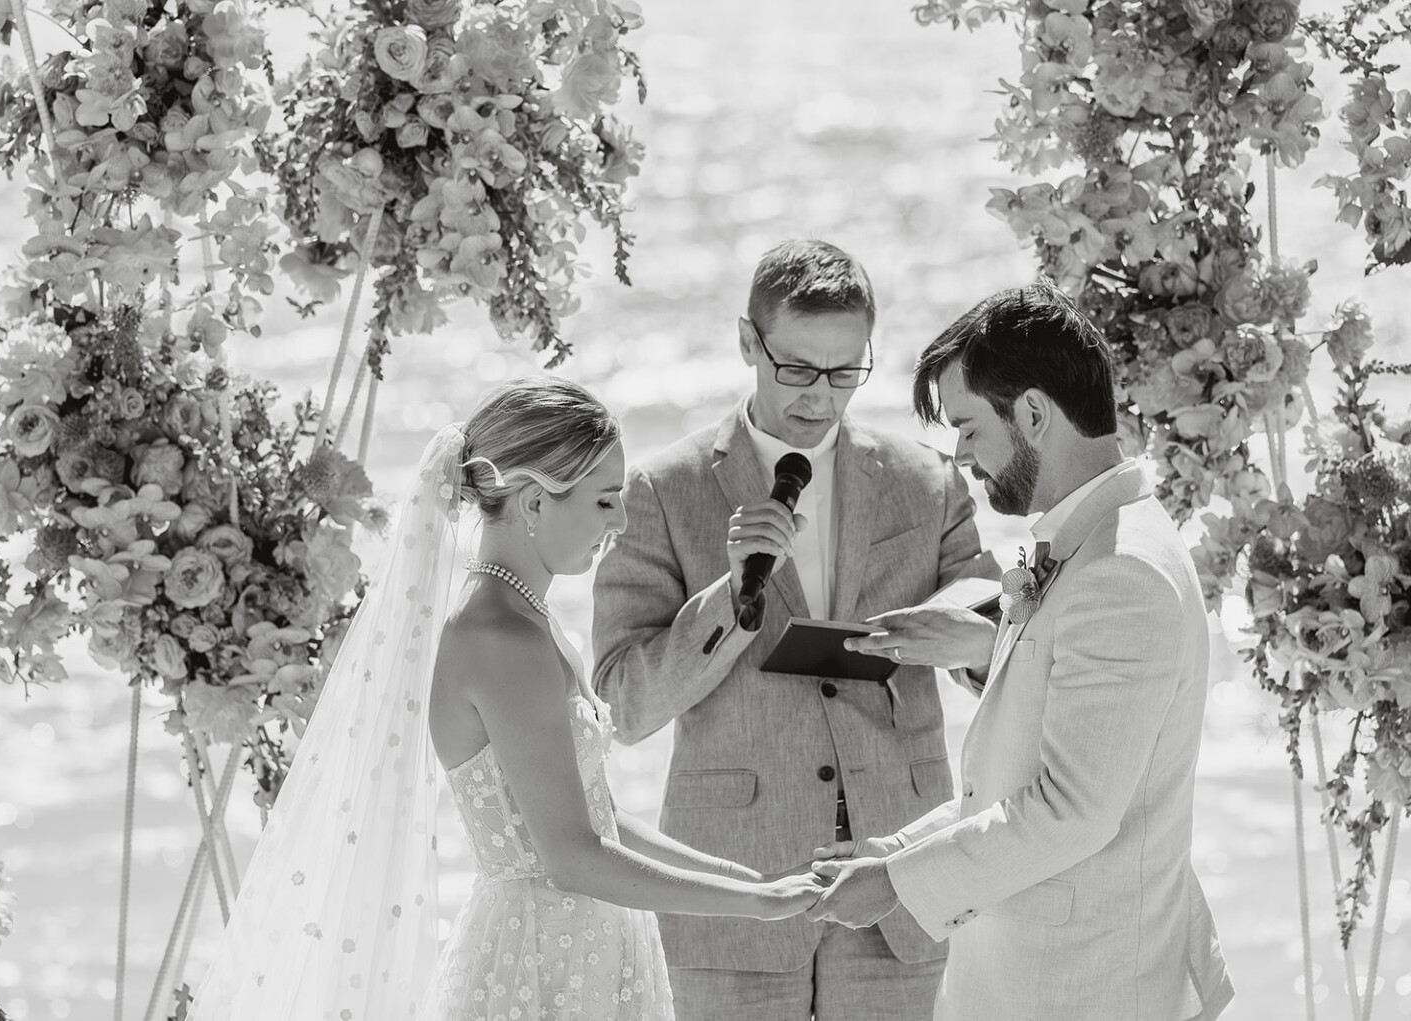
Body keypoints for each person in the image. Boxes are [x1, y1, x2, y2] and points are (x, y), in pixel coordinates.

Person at [187, 375, 827, 1021]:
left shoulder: (530, 620)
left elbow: (593, 814)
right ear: (532, 502)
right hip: (545, 962)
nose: (622, 522)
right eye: (606, 502)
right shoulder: (499, 638)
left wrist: (740, 877)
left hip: (585, 947)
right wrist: (754, 906)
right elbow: (573, 857)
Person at [591, 240, 1000, 1021]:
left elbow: (990, 614)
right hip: (733, 887)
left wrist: (974, 642)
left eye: (846, 371)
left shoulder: (926, 481)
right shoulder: (661, 491)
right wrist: (727, 597)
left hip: (899, 886)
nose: (822, 395)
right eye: (799, 369)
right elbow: (623, 706)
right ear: (749, 341)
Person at [807, 282, 1235, 1021]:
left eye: (970, 426)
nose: (961, 453)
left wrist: (900, 882)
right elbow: (1014, 783)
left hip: (1090, 988)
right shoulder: (1092, 544)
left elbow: (1071, 810)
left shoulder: (1119, 572)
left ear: (1034, 412)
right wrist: (894, 851)